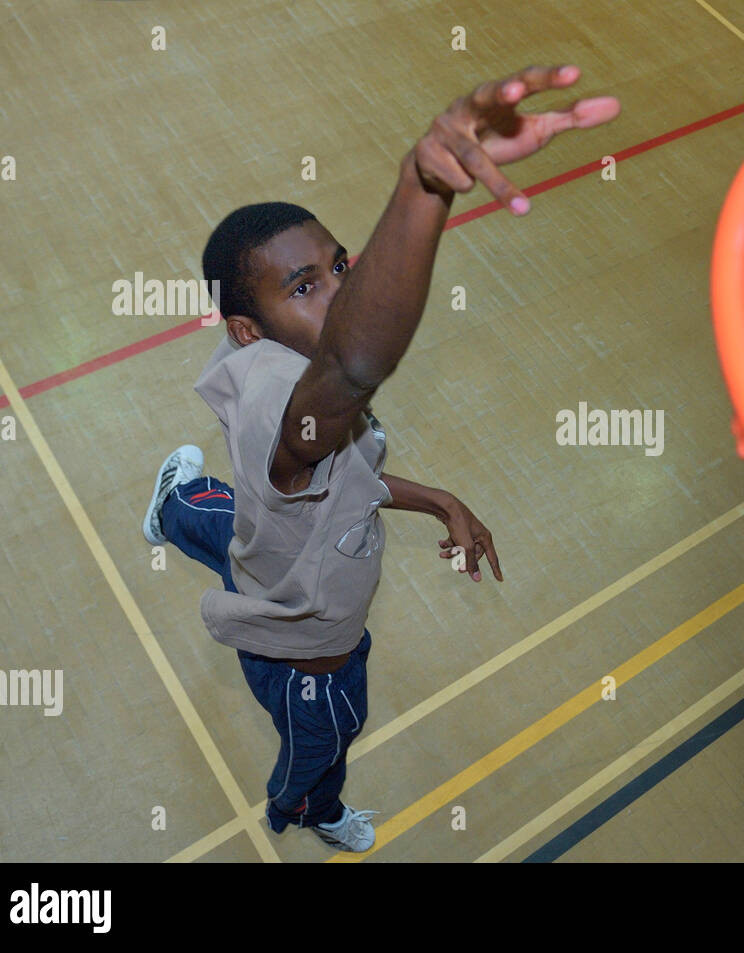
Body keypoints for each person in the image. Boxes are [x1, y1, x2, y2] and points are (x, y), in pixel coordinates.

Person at [140, 66, 620, 852]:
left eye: (341, 267)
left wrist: (439, 500)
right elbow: (356, 364)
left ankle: (171, 503)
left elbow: (348, 475)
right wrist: (424, 188)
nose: (335, 290)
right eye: (304, 285)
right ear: (248, 331)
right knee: (327, 741)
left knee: (239, 529)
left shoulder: (306, 409)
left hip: (279, 553)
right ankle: (307, 810)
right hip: (308, 658)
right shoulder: (295, 401)